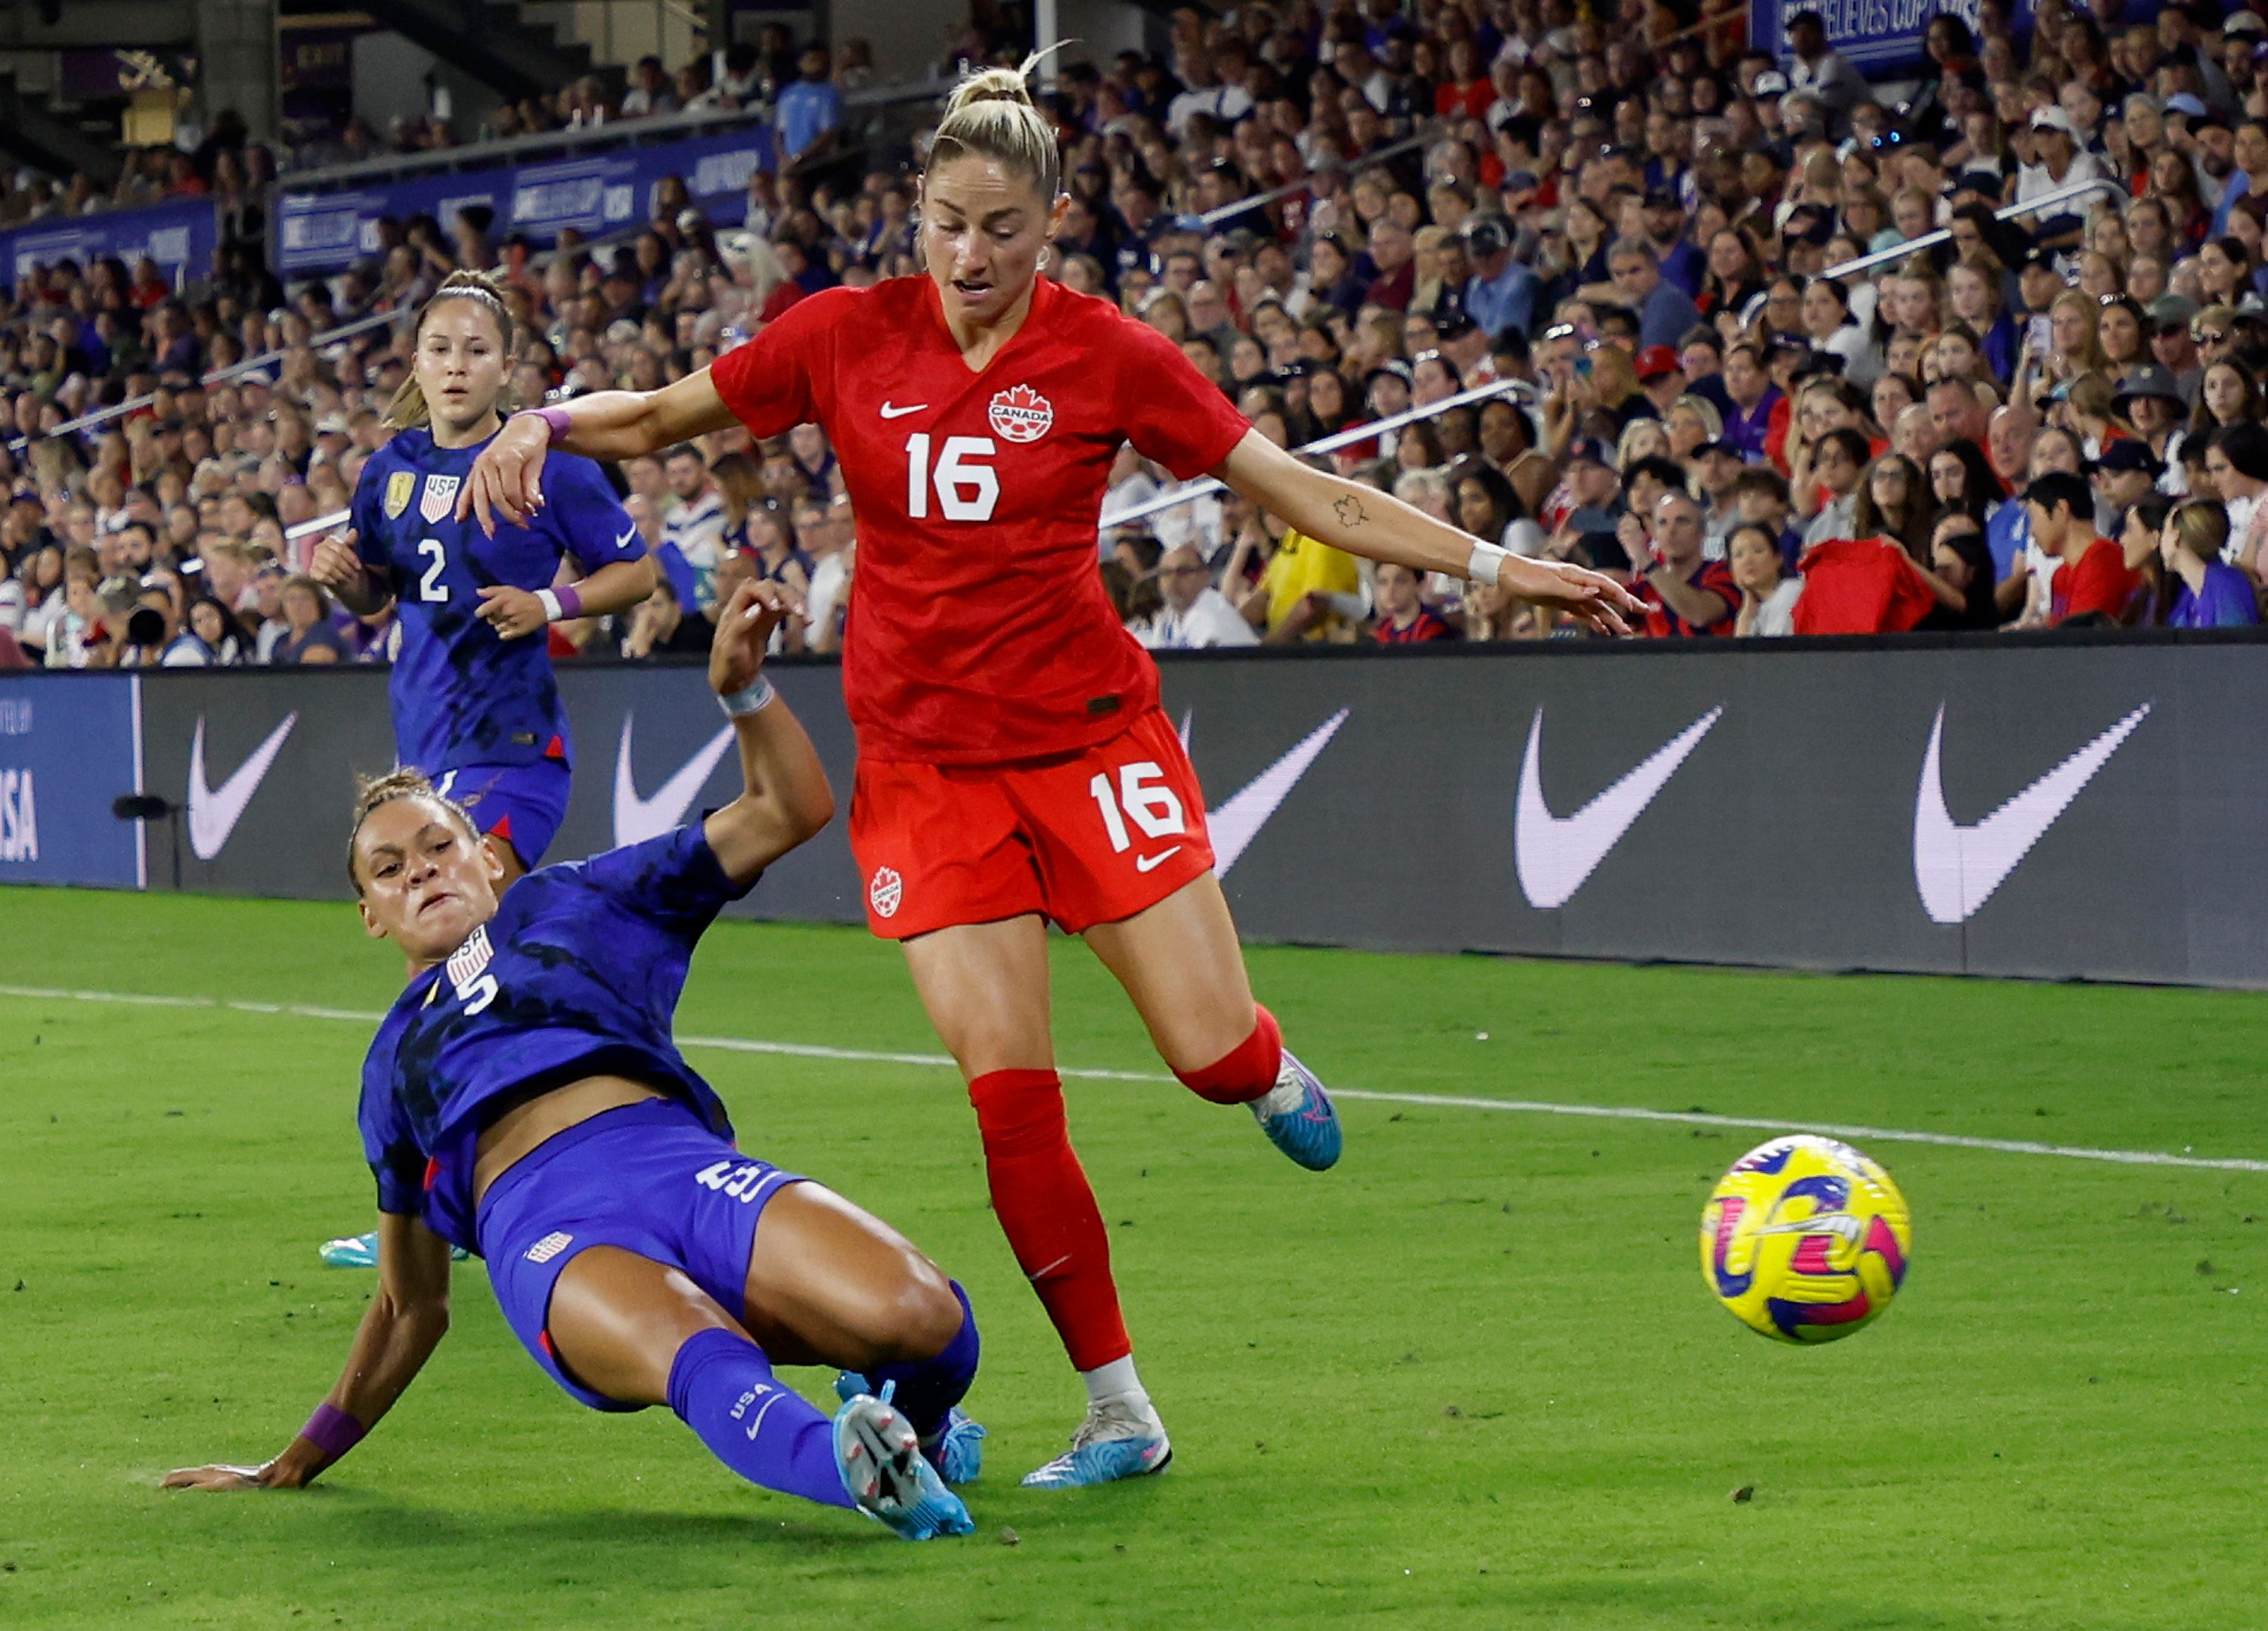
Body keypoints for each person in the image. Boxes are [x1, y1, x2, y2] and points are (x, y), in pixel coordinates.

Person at [457, 57, 1638, 1488]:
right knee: (1011, 1093)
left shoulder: (1108, 355)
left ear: (1055, 221)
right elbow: (654, 417)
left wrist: (1505, 565)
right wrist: (547, 419)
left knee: (1204, 1053)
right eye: (949, 222)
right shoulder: (841, 336)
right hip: (924, 767)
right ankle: (1120, 1408)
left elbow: (1297, 490)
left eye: (1004, 228)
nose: (971, 256)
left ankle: (1259, 1066)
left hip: (1088, 742)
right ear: (915, 211)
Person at [163, 581, 984, 1544]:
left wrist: (743, 694)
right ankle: (849, 1467)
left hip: (677, 1166)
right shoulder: (393, 1061)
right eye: (390, 870)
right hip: (548, 1230)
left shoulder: (582, 898)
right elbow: (409, 1301)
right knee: (698, 1348)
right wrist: (296, 1458)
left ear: (488, 858)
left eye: (438, 845)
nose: (419, 868)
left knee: (928, 1321)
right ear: (372, 919)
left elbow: (790, 808)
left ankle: (917, 1431)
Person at [310, 270, 658, 1270]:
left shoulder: (541, 464)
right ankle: (492, 1181)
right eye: (439, 349)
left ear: (508, 366)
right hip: (425, 763)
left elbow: (638, 572)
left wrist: (550, 607)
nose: (457, 366)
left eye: (475, 350)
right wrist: (351, 578)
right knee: (474, 972)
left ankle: (435, 1203)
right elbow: (384, 593)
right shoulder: (389, 469)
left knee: (460, 962)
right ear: (415, 365)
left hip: (513, 757)